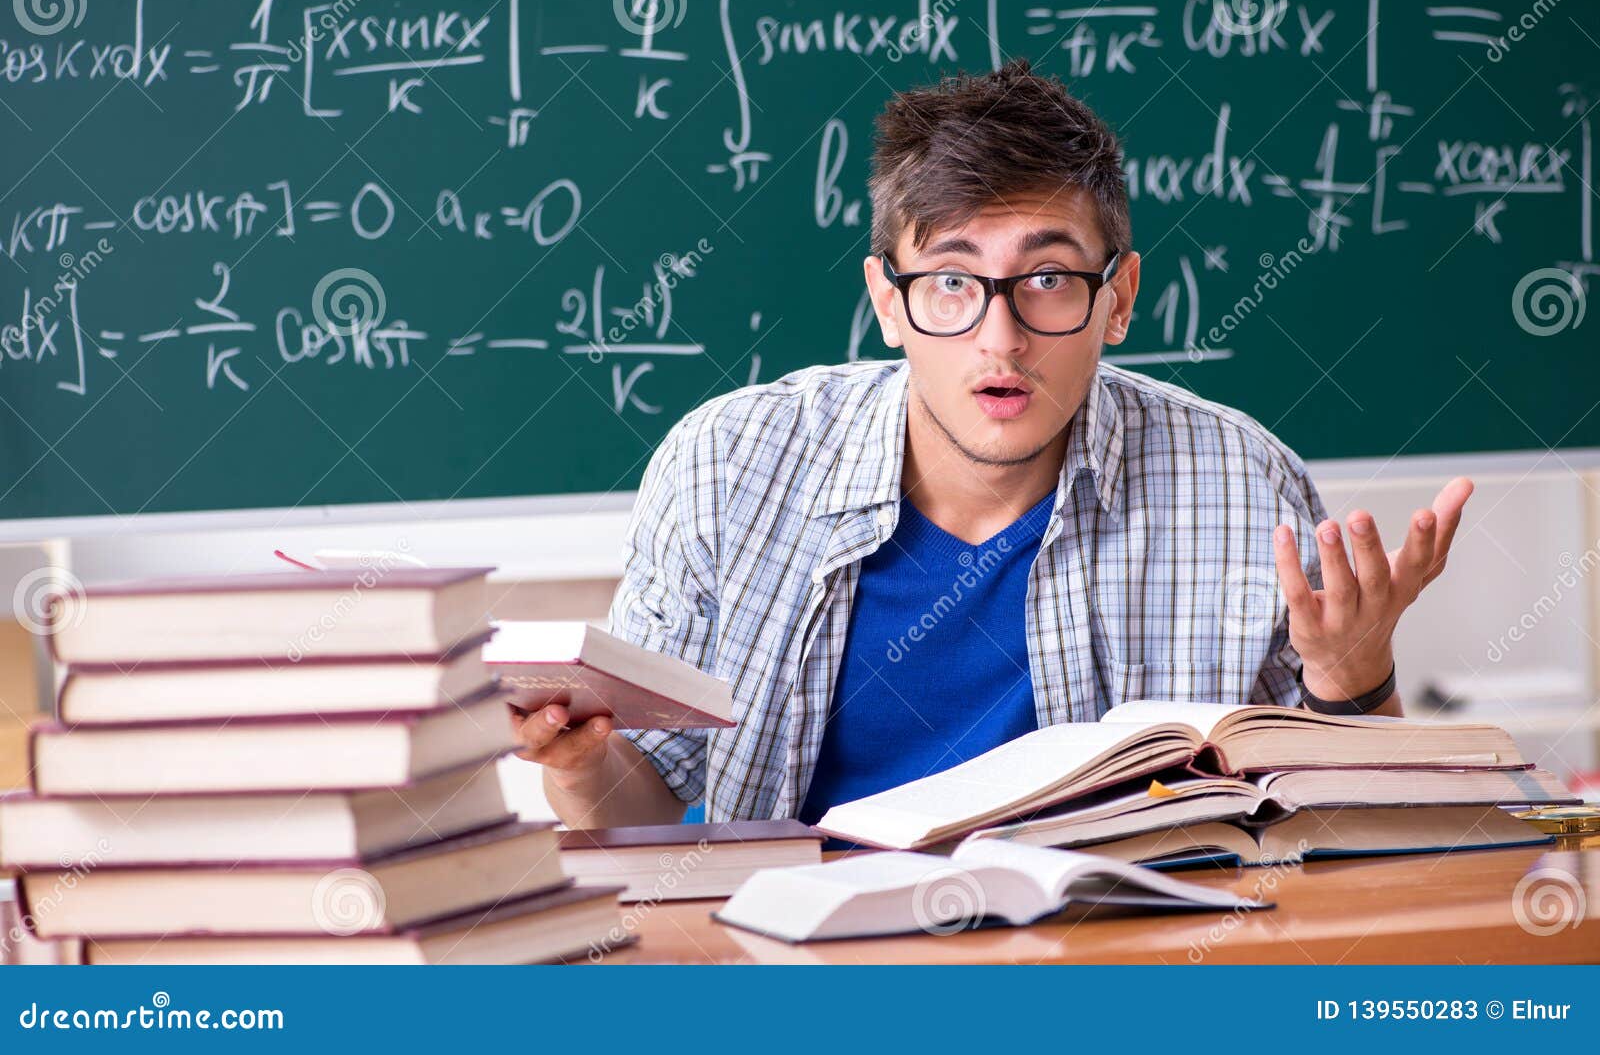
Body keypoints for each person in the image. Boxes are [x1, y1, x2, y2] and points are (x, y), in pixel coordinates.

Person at [512, 58, 1473, 829]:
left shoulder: (1241, 482)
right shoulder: (727, 466)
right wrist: (580, 763)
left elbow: (1339, 834)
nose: (1000, 340)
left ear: (1120, 297)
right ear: (889, 301)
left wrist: (1354, 676)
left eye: (1049, 279)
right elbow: (643, 806)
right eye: (951, 281)